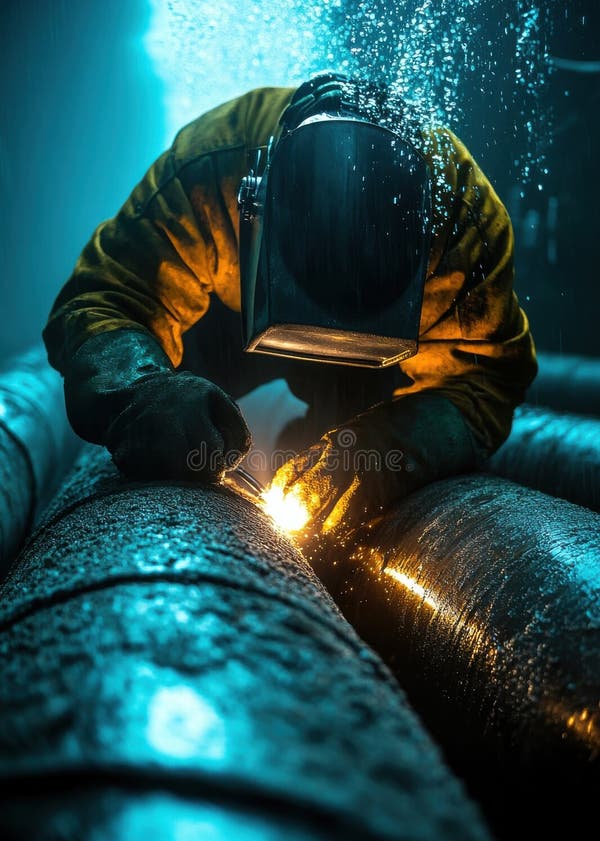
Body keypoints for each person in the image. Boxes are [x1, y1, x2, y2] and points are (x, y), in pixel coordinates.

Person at [43, 74, 537, 537]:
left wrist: (386, 448)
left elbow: (484, 380)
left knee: (342, 467)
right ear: (255, 211)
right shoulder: (212, 171)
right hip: (224, 325)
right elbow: (106, 299)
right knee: (174, 434)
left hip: (373, 373)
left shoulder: (462, 228)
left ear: (424, 247)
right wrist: (143, 389)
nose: (324, 336)